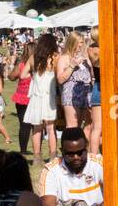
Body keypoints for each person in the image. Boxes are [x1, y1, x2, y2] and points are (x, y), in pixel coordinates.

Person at [42, 128, 105, 206]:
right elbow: (48, 205)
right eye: (70, 154)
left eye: (80, 152)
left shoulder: (98, 163)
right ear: (62, 152)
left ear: (86, 148)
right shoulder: (51, 171)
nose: (76, 157)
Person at [24, 35, 59, 163]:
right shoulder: (55, 58)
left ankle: (36, 157)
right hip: (49, 96)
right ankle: (53, 155)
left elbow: (22, 75)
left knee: (37, 128)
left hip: (36, 97)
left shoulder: (33, 58)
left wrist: (33, 75)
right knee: (51, 128)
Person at [55, 32, 92, 130]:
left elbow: (91, 76)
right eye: (78, 42)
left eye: (82, 42)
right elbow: (60, 79)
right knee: (72, 127)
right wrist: (72, 65)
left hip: (85, 95)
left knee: (83, 126)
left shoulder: (84, 58)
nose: (81, 45)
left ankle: (81, 145)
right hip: (71, 96)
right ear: (72, 42)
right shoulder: (63, 58)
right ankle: (68, 145)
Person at [10, 43, 34, 155]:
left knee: (24, 125)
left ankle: (23, 150)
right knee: (36, 125)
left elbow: (11, 77)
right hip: (34, 97)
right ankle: (36, 150)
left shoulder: (21, 65)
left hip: (22, 97)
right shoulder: (39, 65)